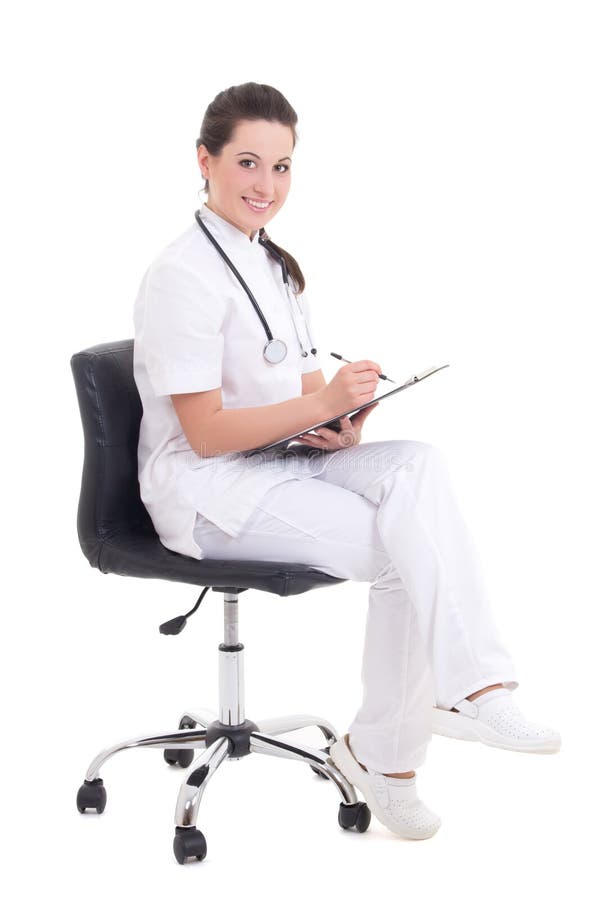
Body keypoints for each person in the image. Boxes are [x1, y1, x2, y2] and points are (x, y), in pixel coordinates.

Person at [133, 81, 561, 841]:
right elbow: (202, 433)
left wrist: (337, 418)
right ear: (205, 160)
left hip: (271, 462)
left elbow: (296, 392)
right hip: (205, 492)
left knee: (417, 466)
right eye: (249, 163)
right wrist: (312, 402)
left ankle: (453, 700)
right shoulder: (181, 276)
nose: (268, 186)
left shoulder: (273, 266)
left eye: (284, 166)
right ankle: (402, 746)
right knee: (409, 548)